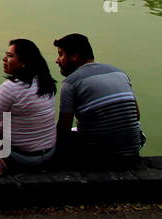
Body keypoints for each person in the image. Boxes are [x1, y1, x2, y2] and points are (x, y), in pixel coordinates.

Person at [0, 39, 58, 172]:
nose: (4, 59)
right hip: (48, 153)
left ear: (24, 62)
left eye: (10, 56)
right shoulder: (45, 82)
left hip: (22, 158)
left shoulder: (10, 88)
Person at [52, 33, 145, 168]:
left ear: (74, 56)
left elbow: (63, 130)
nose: (57, 60)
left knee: (53, 140)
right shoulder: (119, 73)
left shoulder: (70, 83)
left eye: (61, 54)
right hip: (132, 152)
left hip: (102, 156)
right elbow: (136, 115)